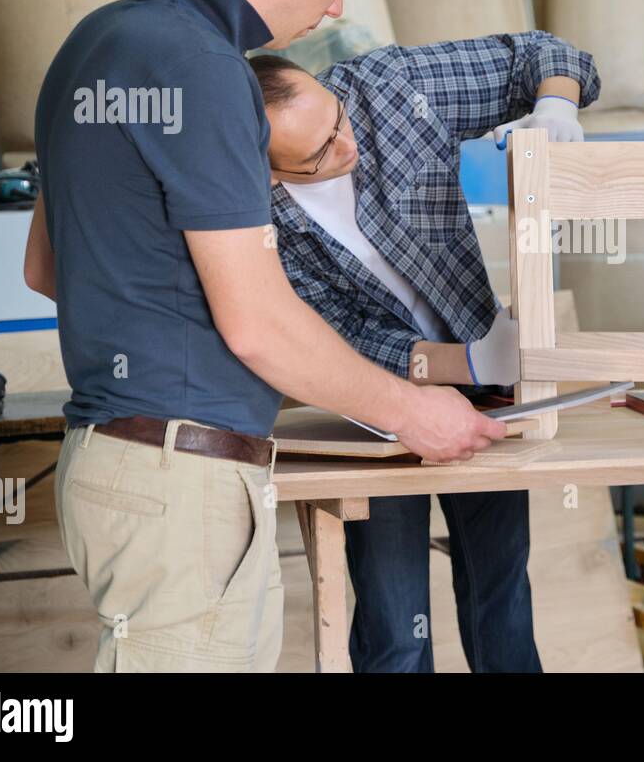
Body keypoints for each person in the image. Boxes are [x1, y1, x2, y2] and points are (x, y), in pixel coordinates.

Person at [25, 0, 505, 673]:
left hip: (111, 464)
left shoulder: (92, 43)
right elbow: (259, 328)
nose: (337, 6)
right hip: (181, 482)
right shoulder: (206, 68)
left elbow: (47, 268)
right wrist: (416, 412)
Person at [250, 34, 598, 672]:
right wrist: (465, 362)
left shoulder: (385, 90)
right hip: (374, 407)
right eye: (322, 152)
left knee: (503, 608)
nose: (349, 145)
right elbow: (337, 340)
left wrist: (555, 108)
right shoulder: (253, 221)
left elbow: (546, 53)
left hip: (487, 397)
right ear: (270, 171)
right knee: (394, 628)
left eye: (337, 118)